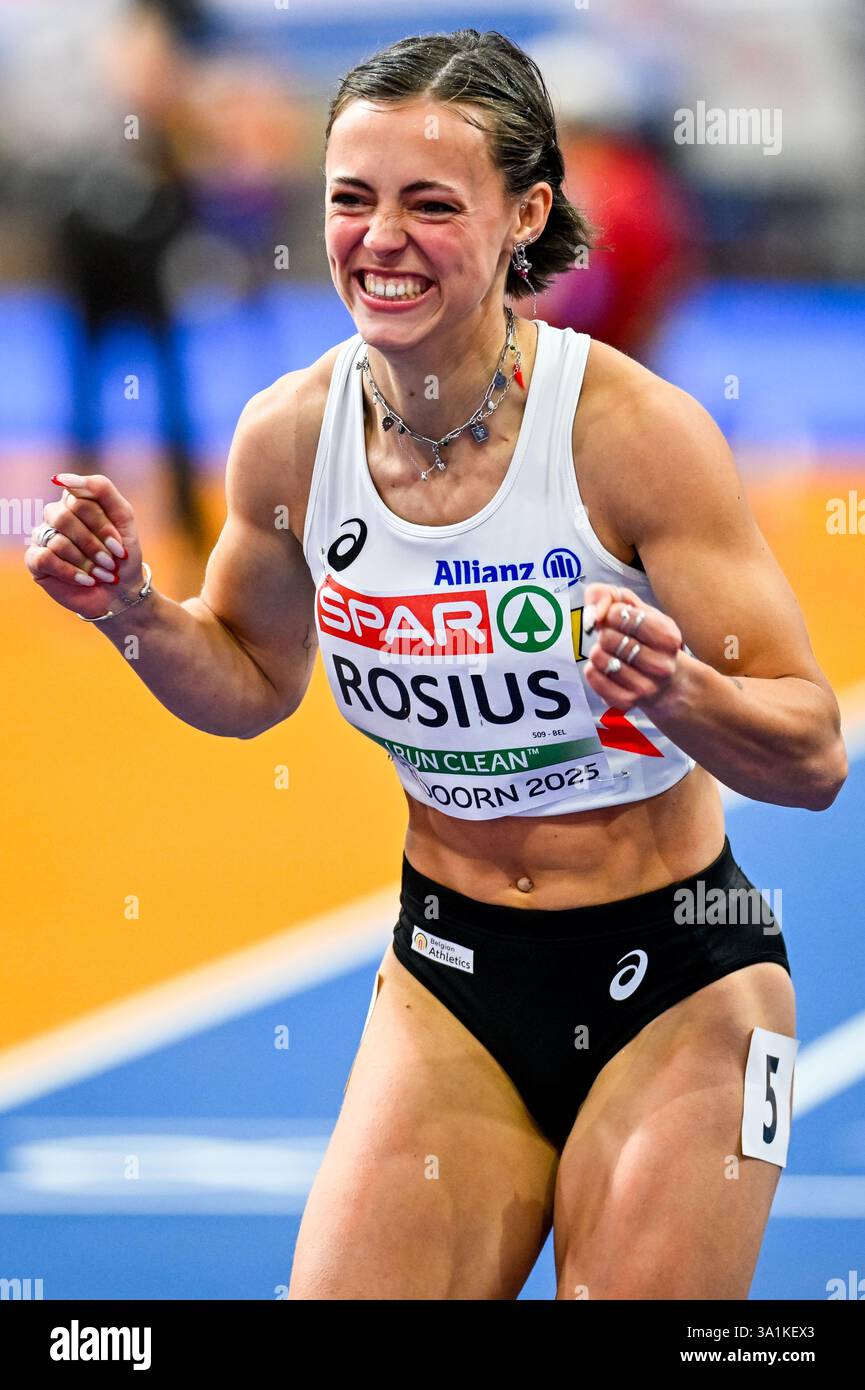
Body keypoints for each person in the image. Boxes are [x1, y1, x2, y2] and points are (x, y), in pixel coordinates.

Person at [25, 29, 847, 1300]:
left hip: (685, 974)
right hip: (449, 973)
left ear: (525, 215)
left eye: (428, 204)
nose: (380, 238)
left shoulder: (636, 437)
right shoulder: (292, 438)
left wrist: (676, 689)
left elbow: (813, 755)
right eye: (351, 200)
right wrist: (130, 607)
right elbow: (248, 682)